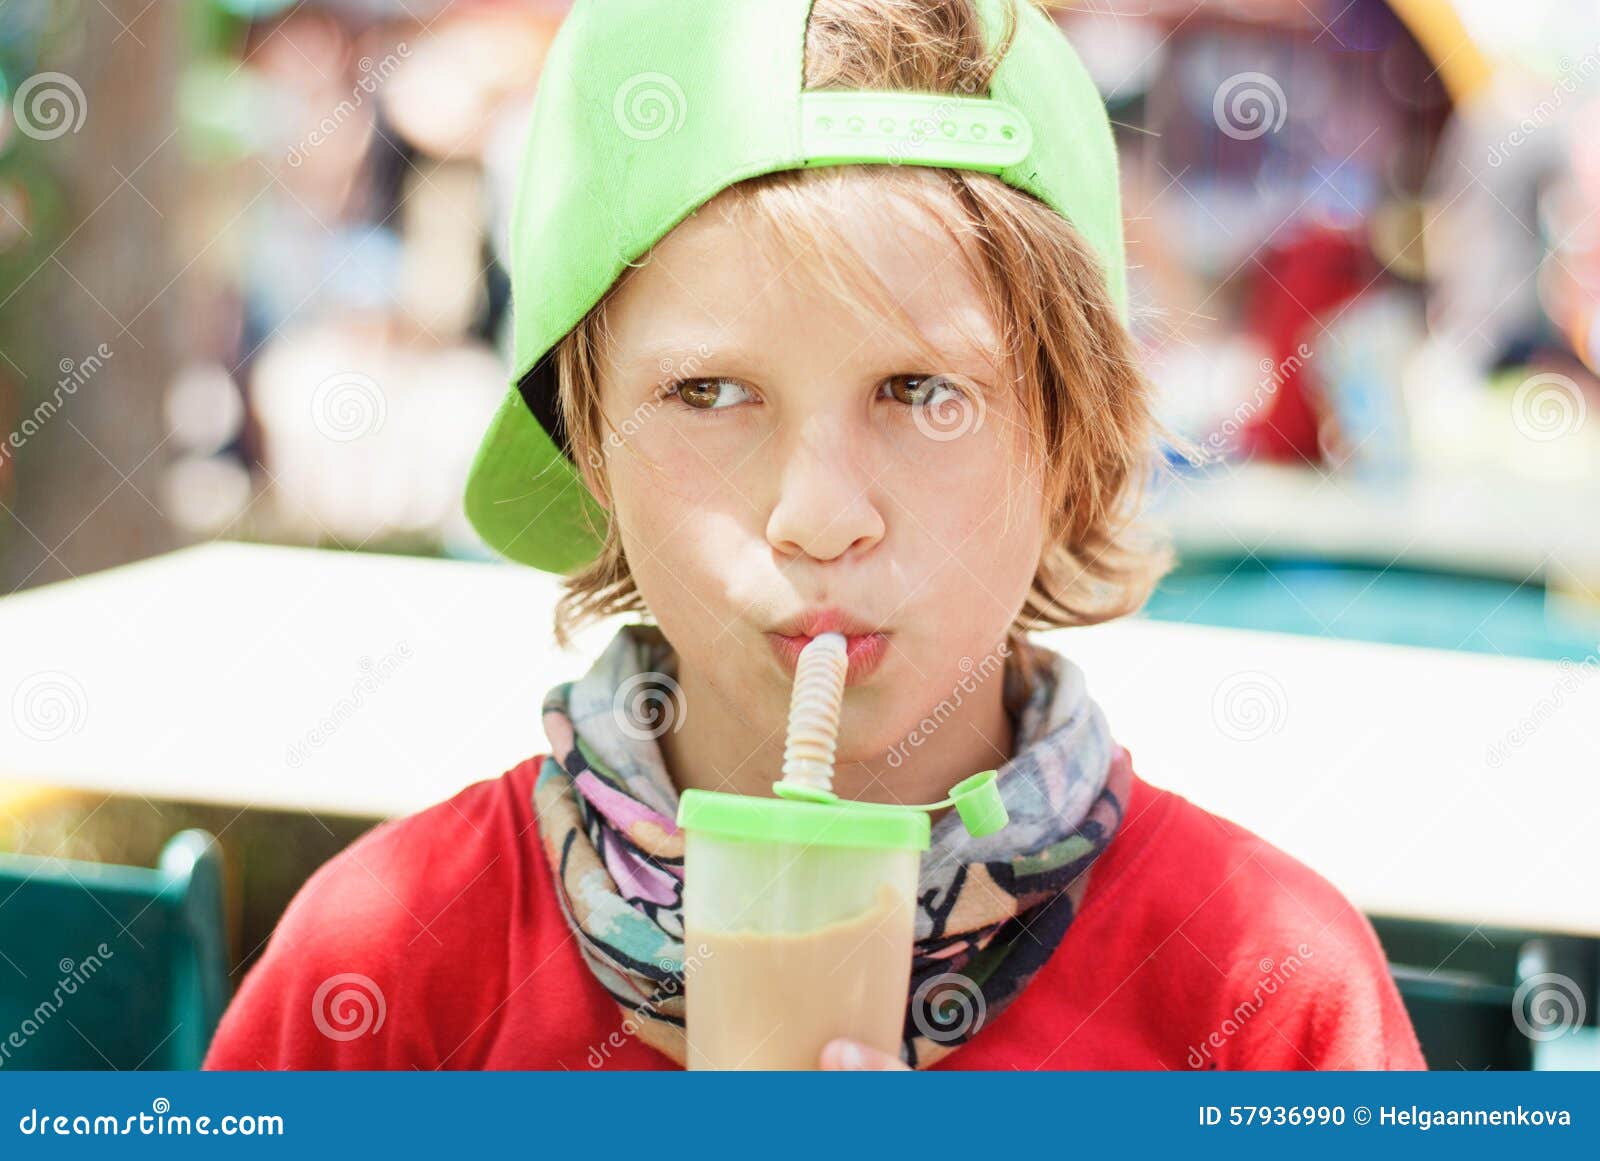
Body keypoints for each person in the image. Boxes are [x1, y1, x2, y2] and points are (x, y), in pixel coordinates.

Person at [203, 0, 1423, 1071]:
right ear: (586, 441)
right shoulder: (392, 976)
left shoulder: (1268, 1001)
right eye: (709, 394)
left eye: (921, 392)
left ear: (1071, 440)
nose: (820, 516)